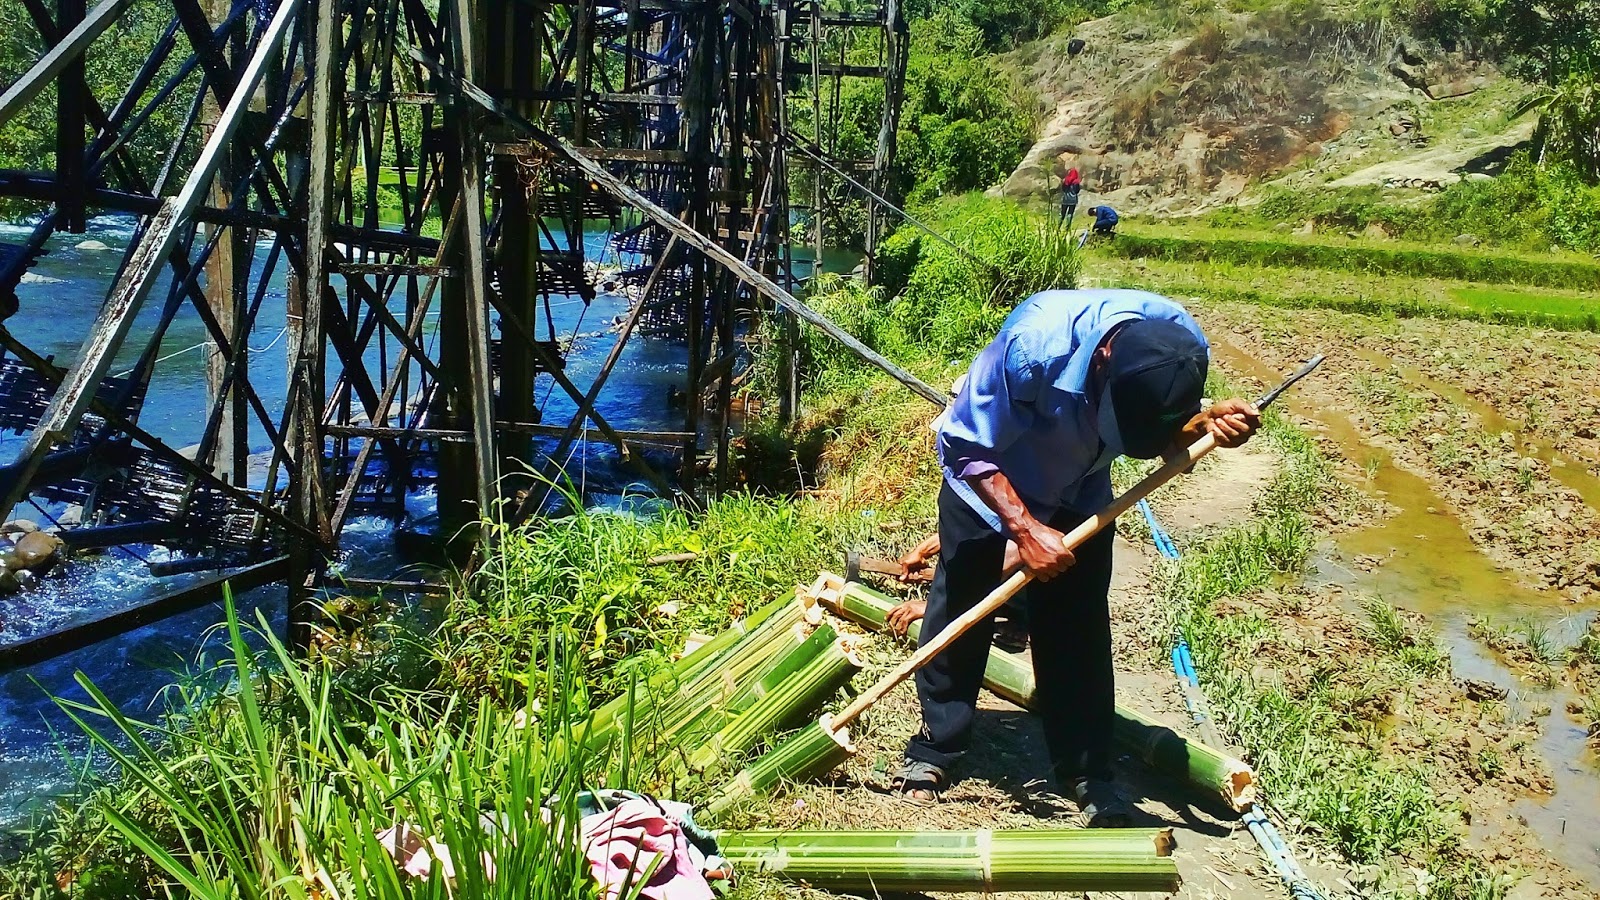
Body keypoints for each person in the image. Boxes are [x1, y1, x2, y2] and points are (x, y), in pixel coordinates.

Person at [890, 289, 1260, 826]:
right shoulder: (1033, 346)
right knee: (962, 599)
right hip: (989, 477)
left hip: (1081, 488)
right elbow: (966, 444)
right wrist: (1023, 528)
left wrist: (1205, 425)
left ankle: (1086, 769)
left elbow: (1169, 427)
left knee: (1078, 621)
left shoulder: (1180, 343)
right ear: (1105, 362)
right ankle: (936, 747)